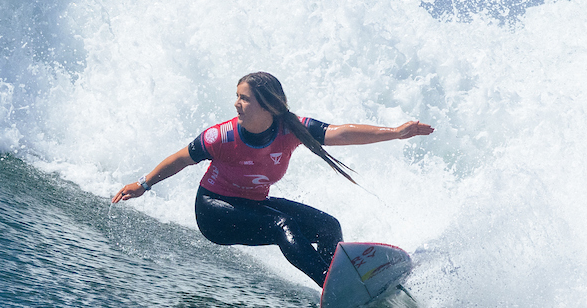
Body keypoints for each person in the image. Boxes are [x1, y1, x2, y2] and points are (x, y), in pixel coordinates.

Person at [111, 72, 434, 287]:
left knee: (328, 226)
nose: (236, 103)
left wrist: (395, 132)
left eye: (244, 98)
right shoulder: (220, 136)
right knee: (284, 226)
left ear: (267, 104)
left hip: (253, 205)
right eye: (237, 96)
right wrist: (144, 183)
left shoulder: (291, 128)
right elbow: (180, 159)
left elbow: (341, 132)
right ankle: (330, 284)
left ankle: (341, 287)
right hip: (215, 212)